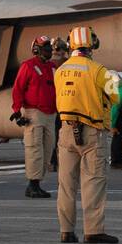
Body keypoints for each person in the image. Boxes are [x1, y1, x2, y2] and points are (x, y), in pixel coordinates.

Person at [55, 26, 120, 243]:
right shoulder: (98, 70)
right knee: (93, 182)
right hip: (92, 132)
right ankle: (93, 231)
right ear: (91, 44)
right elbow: (116, 95)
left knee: (66, 185)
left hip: (66, 131)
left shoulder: (60, 70)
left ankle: (66, 231)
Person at [11, 36, 57, 198]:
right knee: (34, 149)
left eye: (50, 48)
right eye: (46, 48)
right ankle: (32, 185)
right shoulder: (28, 66)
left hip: (51, 114)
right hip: (34, 113)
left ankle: (38, 182)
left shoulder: (52, 67)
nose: (50, 51)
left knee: (47, 149)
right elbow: (18, 89)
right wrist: (17, 110)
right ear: (36, 49)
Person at [48, 36, 71, 172]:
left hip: (53, 105)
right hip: (65, 103)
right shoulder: (68, 63)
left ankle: (53, 161)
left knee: (53, 134)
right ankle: (61, 160)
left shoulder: (48, 65)